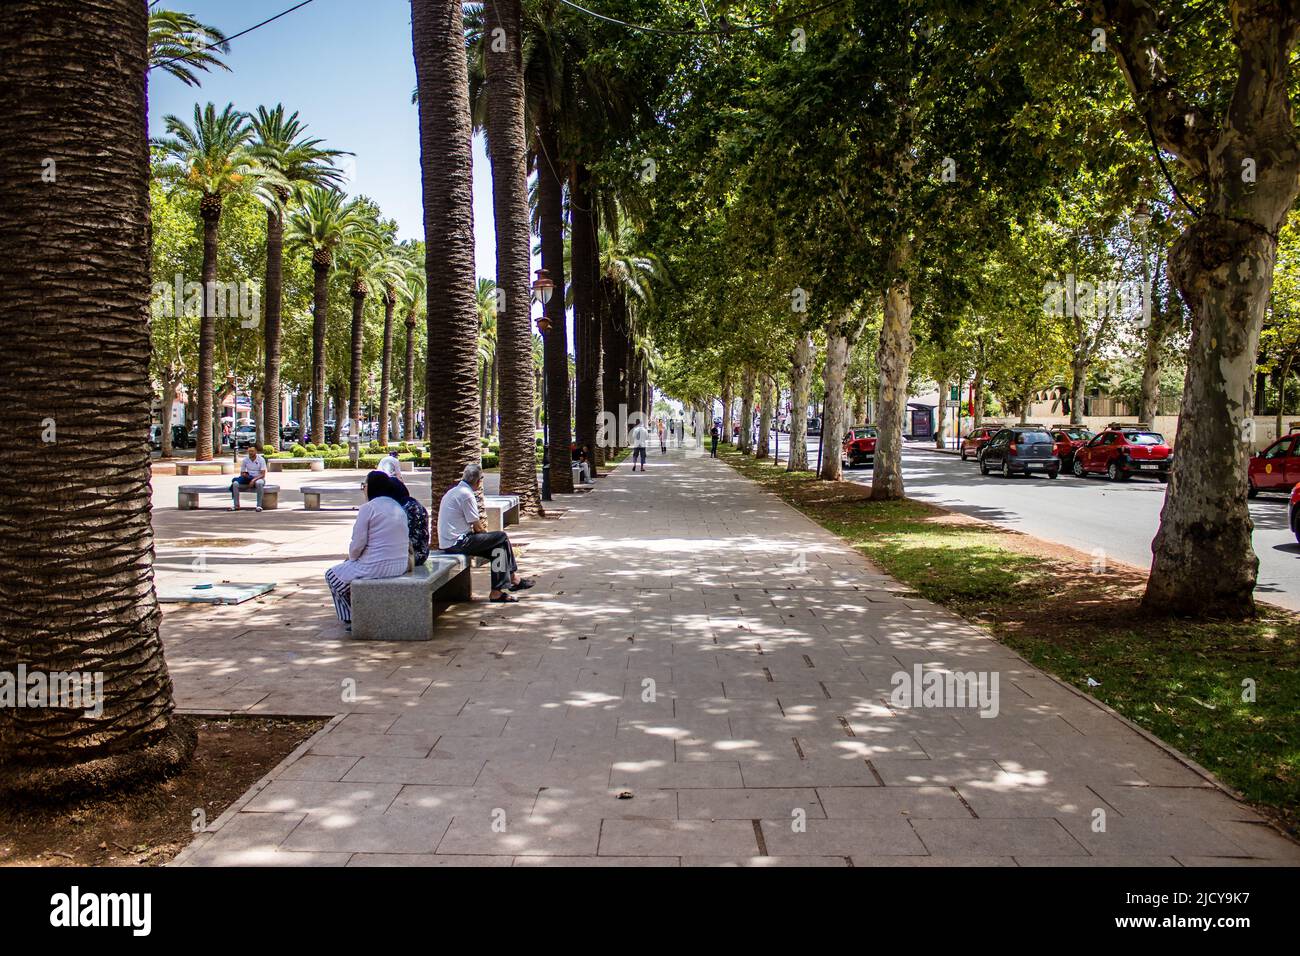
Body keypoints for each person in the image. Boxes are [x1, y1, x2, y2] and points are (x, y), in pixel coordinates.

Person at [325, 471, 413, 629]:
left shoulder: (368, 508)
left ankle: (351, 617)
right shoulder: (397, 507)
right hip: (400, 564)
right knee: (348, 570)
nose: (363, 489)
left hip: (376, 566)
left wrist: (352, 559)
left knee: (332, 576)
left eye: (364, 486)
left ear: (371, 487)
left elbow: (358, 542)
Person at [438, 462, 534, 602]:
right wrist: (489, 537)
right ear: (478, 481)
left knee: (498, 548)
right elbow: (477, 528)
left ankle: (497, 592)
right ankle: (513, 578)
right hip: (457, 543)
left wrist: (489, 540)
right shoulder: (466, 495)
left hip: (451, 542)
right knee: (501, 537)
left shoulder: (454, 491)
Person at [229, 444, 268, 511]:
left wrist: (253, 480)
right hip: (248, 478)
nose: (250, 453)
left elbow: (262, 474)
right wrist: (245, 475)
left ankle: (259, 506)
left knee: (259, 483)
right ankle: (236, 506)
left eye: (252, 451)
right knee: (235, 483)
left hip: (258, 478)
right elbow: (242, 473)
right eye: (249, 451)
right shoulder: (245, 460)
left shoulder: (261, 460)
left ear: (256, 451)